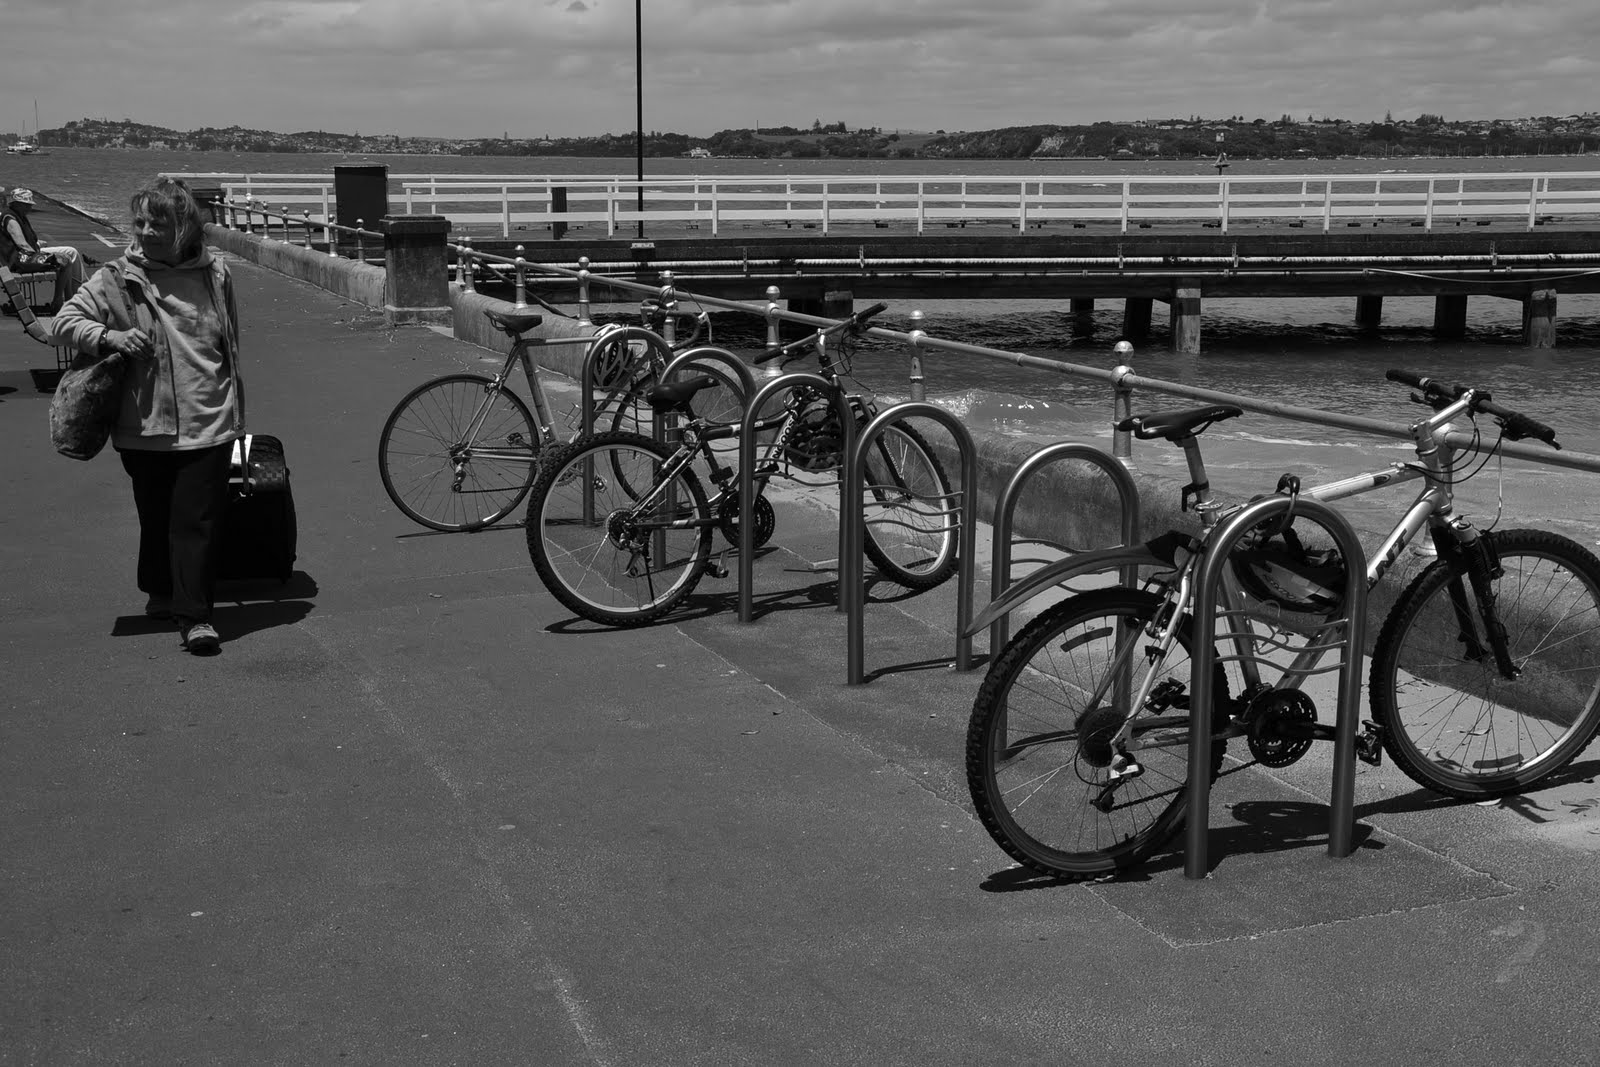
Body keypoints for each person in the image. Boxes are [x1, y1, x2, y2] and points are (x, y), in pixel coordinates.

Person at [53, 177, 246, 655]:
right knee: (157, 515)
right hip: (145, 422)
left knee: (195, 520)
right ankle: (161, 590)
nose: (144, 232)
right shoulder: (116, 278)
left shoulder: (216, 273)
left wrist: (235, 406)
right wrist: (111, 338)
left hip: (209, 416)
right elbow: (63, 322)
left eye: (157, 223)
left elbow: (229, 343)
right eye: (139, 222)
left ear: (184, 226)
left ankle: (195, 617)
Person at [1, 187, 88, 312]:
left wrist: (37, 244)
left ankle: (75, 296)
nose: (30, 207)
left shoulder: (18, 214)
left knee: (71, 251)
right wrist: (40, 255)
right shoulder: (10, 219)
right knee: (64, 261)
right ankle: (59, 301)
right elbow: (22, 244)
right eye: (27, 204)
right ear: (17, 204)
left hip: (26, 255)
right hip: (20, 260)